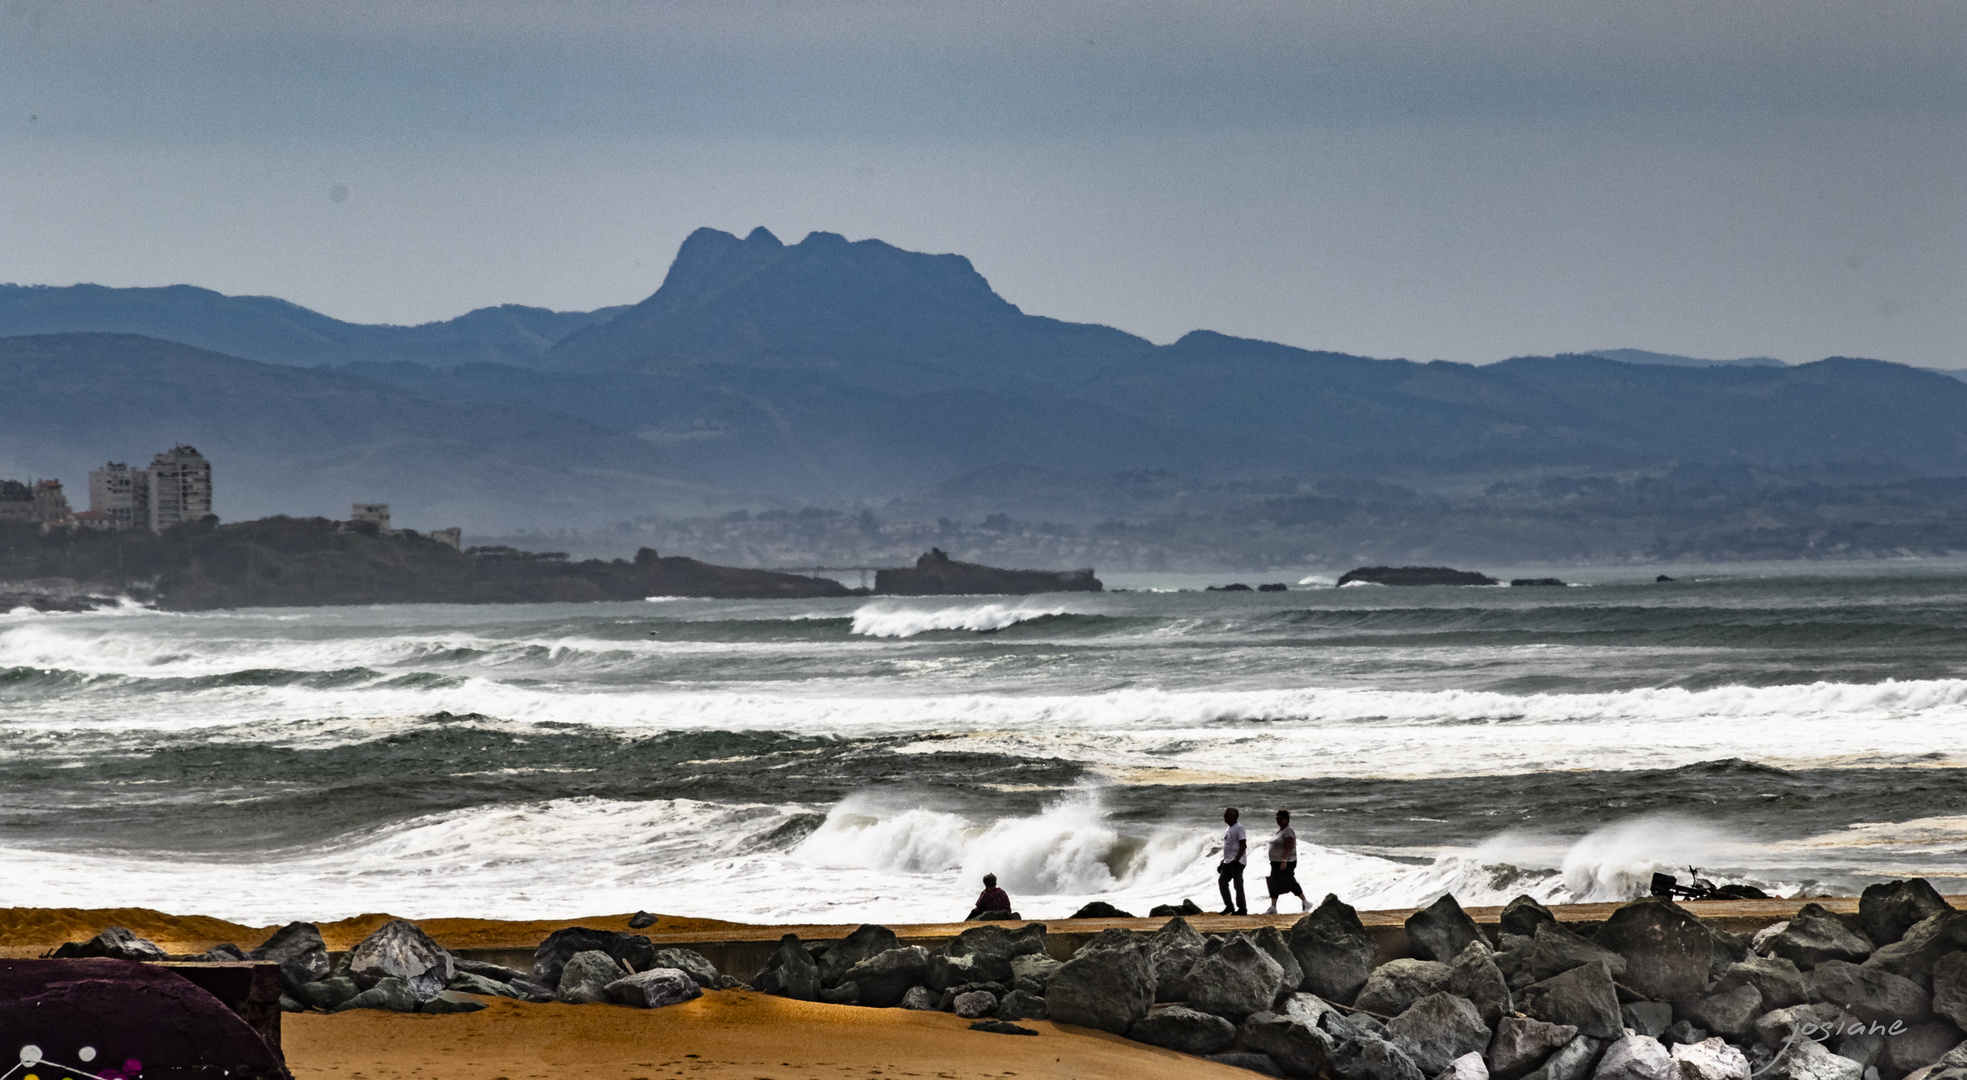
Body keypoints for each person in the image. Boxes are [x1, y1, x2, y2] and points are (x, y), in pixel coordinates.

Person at [1264, 809, 1309, 914]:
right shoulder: (1280, 831)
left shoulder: (1288, 831)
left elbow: (1289, 846)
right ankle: (1273, 907)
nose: (1278, 820)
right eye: (1277, 819)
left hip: (1286, 862)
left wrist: (1284, 860)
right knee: (1273, 882)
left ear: (1287, 819)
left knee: (1289, 881)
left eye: (1281, 818)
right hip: (1275, 861)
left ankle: (1305, 901)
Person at [1218, 807, 1248, 915]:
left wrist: (1237, 859)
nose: (1224, 817)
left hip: (1237, 861)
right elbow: (1228, 845)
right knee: (1222, 882)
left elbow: (1243, 845)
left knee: (1237, 885)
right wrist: (1223, 861)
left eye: (1226, 815)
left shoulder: (1239, 828)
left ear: (1233, 816)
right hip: (1227, 861)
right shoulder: (1228, 828)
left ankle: (1242, 908)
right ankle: (1229, 906)